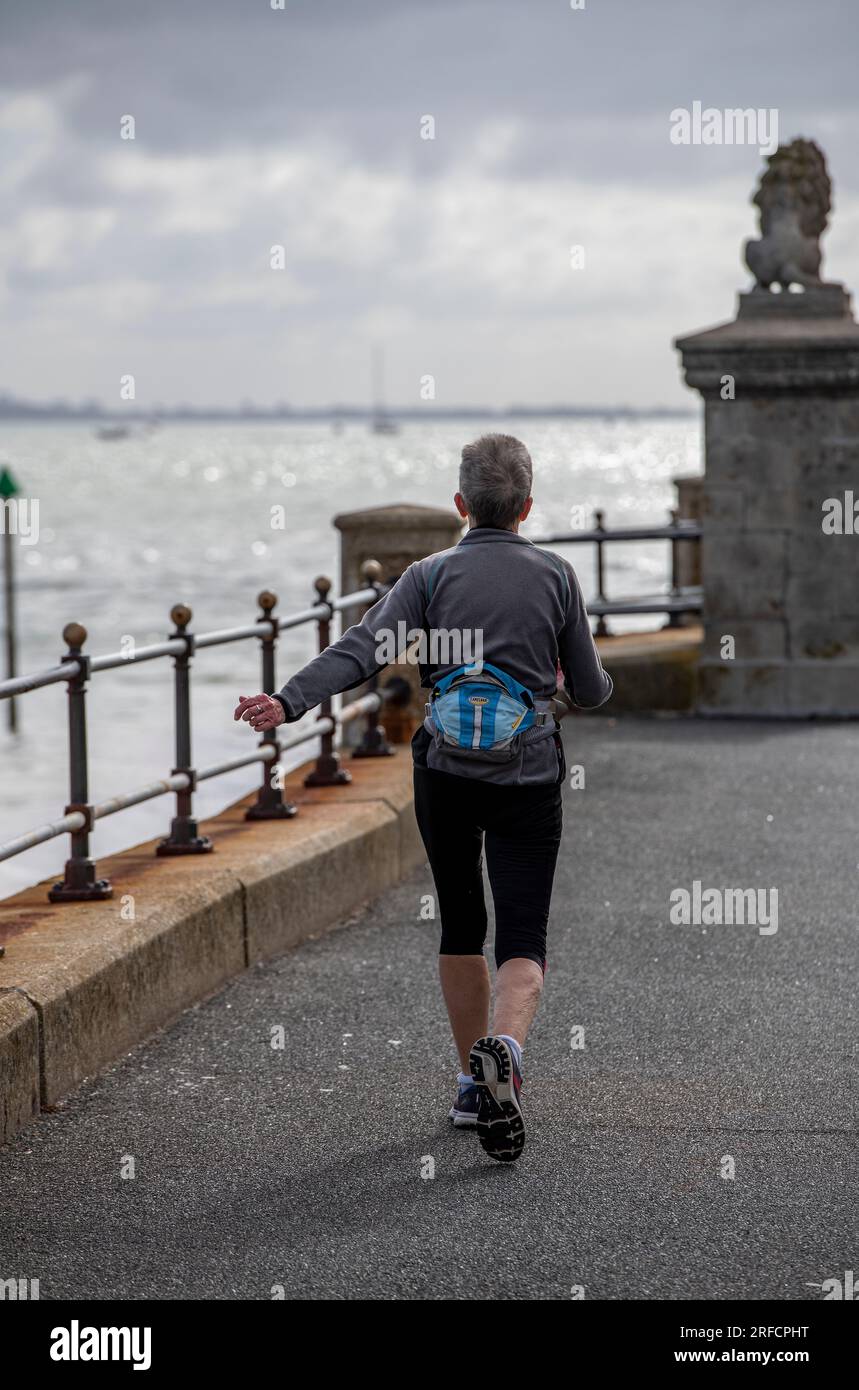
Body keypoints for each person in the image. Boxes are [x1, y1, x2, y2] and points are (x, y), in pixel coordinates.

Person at [234, 434, 612, 1162]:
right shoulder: (557, 575)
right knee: (523, 934)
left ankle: (474, 1082)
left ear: (460, 505)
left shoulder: (430, 576)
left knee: (461, 921)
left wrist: (287, 702)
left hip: (444, 771)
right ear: (527, 506)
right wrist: (563, 681)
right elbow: (592, 690)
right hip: (527, 769)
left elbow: (360, 650)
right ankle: (506, 1049)